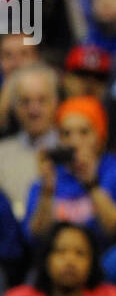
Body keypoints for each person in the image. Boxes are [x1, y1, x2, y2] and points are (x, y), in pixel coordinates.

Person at [26, 96, 116, 243]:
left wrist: (92, 184)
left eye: (84, 132)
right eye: (66, 133)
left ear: (101, 136)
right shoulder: (49, 179)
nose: (74, 142)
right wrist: (47, 191)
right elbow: (35, 238)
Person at [0, 63, 59, 218]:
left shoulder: (72, 151)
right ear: (14, 106)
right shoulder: (1, 154)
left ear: (55, 102)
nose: (34, 110)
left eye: (42, 100)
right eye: (25, 102)